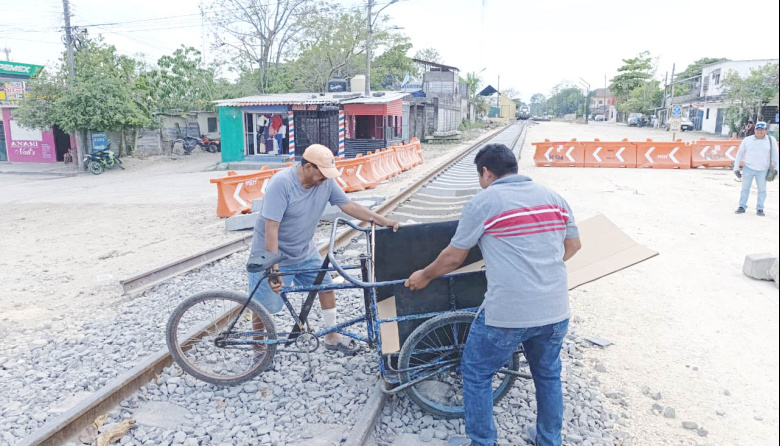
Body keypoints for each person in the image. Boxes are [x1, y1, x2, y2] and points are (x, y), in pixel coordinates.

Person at [404, 144, 582, 446]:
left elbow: (453, 257)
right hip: (555, 310)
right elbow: (574, 246)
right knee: (548, 375)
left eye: (479, 176)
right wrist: (539, 269)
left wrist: (425, 275)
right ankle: (549, 440)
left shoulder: (484, 202)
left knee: (476, 371)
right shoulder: (555, 199)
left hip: (508, 313)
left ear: (486, 172)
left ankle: (483, 442)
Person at [249, 144, 399, 353]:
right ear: (308, 167)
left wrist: (383, 221)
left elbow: (349, 206)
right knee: (264, 304)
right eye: (322, 173)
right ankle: (258, 345)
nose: (325, 178)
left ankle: (332, 335)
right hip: (272, 252)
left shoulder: (325, 182)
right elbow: (271, 227)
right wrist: (273, 268)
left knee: (325, 286)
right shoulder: (282, 184)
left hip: (304, 250)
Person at [734, 121, 779, 216]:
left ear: (766, 130)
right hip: (748, 168)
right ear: (754, 130)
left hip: (763, 169)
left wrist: (777, 168)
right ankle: (742, 206)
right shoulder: (747, 140)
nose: (759, 132)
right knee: (745, 188)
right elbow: (740, 153)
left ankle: (760, 208)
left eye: (762, 130)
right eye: (758, 130)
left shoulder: (771, 140)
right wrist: (736, 167)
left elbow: (775, 155)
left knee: (762, 190)